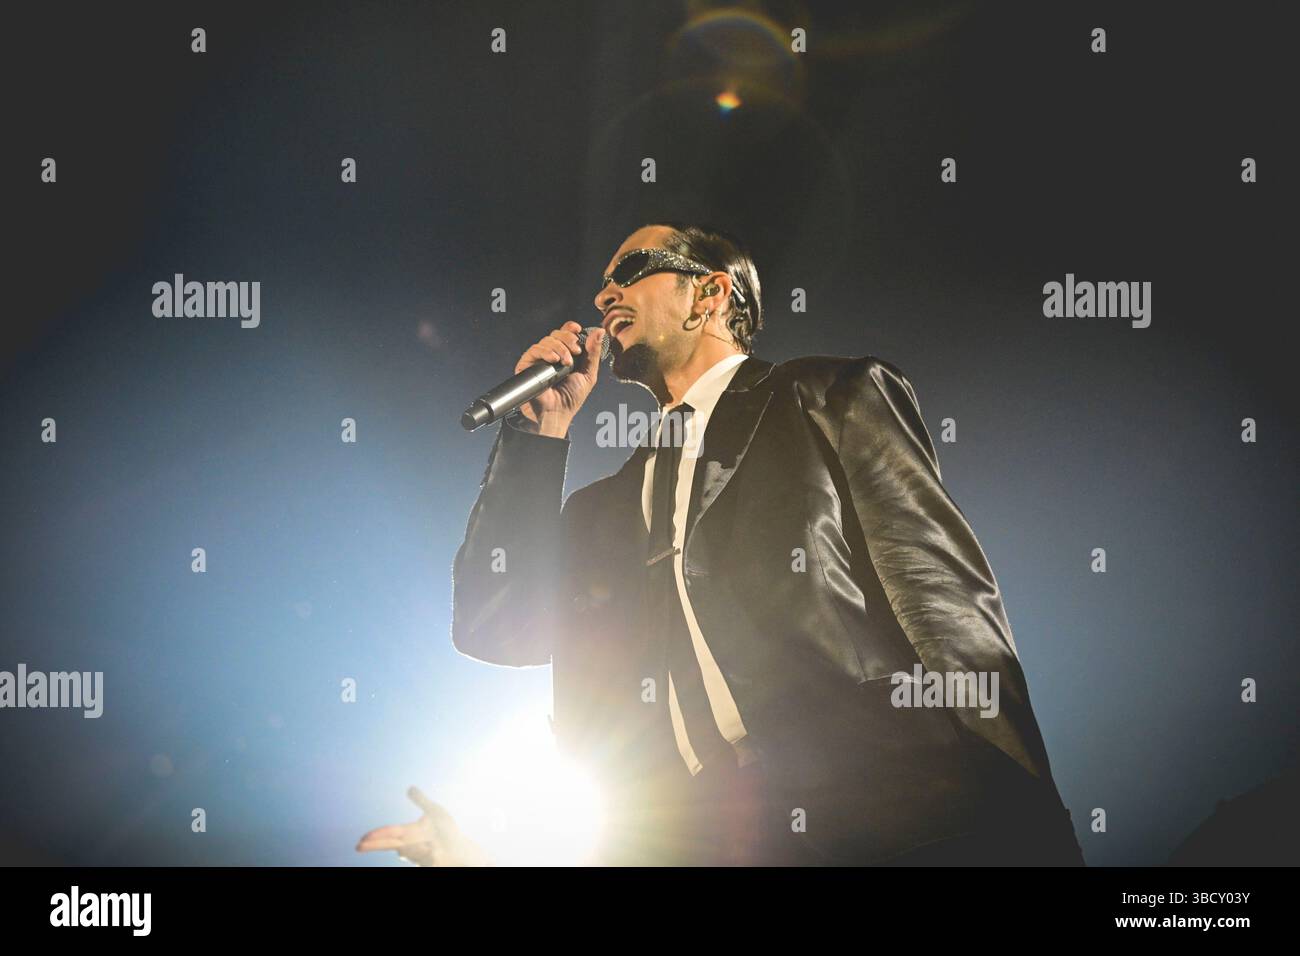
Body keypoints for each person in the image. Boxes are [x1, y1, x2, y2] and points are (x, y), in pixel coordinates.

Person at [447, 222, 1085, 866]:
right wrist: (538, 436)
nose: (604, 295)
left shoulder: (828, 398)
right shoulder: (601, 510)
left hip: (880, 819)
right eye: (603, 283)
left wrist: (1026, 819)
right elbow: (499, 627)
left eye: (631, 269)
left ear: (710, 293)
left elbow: (946, 609)